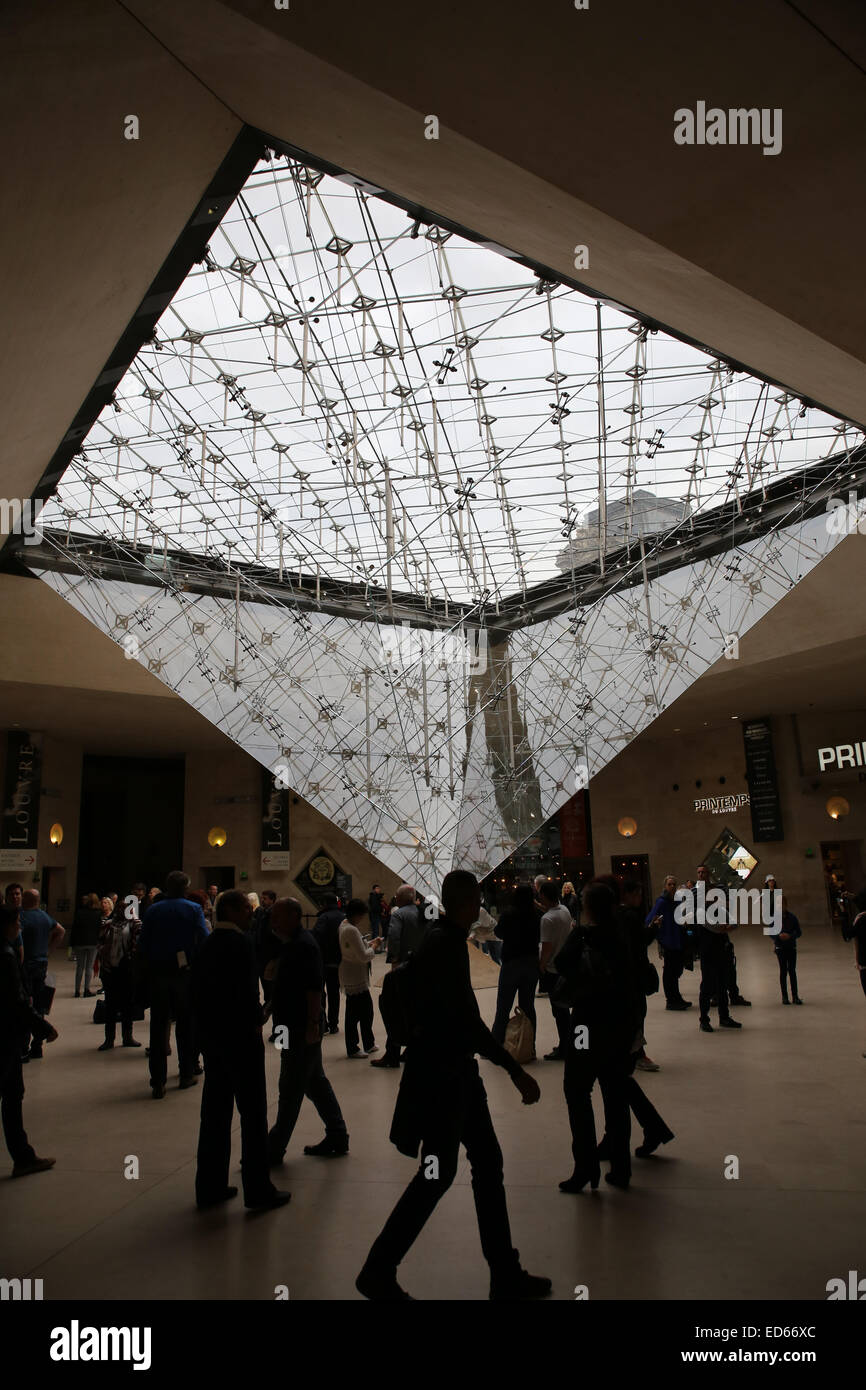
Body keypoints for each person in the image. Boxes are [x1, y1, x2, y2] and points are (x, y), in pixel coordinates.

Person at [356, 870, 551, 1302]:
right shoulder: (446, 944)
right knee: (441, 1173)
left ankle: (504, 1272)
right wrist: (513, 1069)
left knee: (480, 1163)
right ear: (468, 902)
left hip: (449, 1072)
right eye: (477, 898)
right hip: (447, 1077)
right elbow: (467, 1020)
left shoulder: (438, 938)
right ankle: (379, 1269)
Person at [192, 889, 290, 1211]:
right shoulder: (240, 944)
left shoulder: (206, 943)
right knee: (252, 1114)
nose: (252, 914)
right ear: (232, 911)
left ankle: (210, 1185)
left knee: (215, 1114)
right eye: (247, 910)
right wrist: (259, 1017)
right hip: (241, 1042)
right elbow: (247, 993)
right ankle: (258, 1190)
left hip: (213, 1041)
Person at [556, 882, 642, 1192]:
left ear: (589, 908)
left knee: (577, 1092)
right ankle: (621, 1169)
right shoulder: (622, 937)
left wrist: (579, 933)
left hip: (585, 1025)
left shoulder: (584, 936)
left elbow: (561, 964)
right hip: (617, 1025)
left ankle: (585, 1167)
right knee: (616, 1096)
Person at [267, 898, 349, 1163]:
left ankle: (273, 1148)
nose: (273, 922)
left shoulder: (303, 945)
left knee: (290, 1086)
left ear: (293, 916)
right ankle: (337, 1135)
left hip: (301, 1026)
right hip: (292, 1025)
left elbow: (314, 989)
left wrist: (314, 1024)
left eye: (277, 917)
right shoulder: (292, 943)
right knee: (314, 1083)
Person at [137, 870, 209, 1097]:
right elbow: (204, 939)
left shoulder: (154, 909)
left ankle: (157, 1081)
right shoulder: (193, 909)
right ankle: (186, 1073)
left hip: (158, 973)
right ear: (185, 887)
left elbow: (143, 942)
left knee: (158, 1027)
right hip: (184, 973)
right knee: (186, 1026)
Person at [0, 904, 58, 1177]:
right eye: (17, 924)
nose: (20, 928)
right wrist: (42, 1027)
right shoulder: (6, 955)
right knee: (12, 1095)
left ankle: (23, 1154)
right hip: (6, 1035)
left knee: (13, 1094)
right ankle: (23, 1156)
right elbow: (16, 1001)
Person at [372, 884, 425, 1068]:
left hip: (403, 966)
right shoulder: (424, 913)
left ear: (400, 898)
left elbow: (394, 937)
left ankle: (392, 1053)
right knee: (416, 1010)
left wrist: (394, 960)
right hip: (421, 967)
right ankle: (411, 1050)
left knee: (395, 1010)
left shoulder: (398, 914)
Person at [491, 884, 541, 1049]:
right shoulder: (536, 915)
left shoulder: (509, 914)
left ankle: (496, 1044)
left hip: (512, 962)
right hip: (531, 962)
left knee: (503, 1006)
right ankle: (529, 1045)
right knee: (528, 1006)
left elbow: (498, 933)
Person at [695, 865, 742, 1034]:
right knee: (707, 983)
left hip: (722, 942)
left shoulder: (720, 888)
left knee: (723, 980)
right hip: (707, 943)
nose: (701, 875)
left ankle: (724, 1016)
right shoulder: (695, 893)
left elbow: (731, 909)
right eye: (699, 873)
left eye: (704, 872)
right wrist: (720, 928)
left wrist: (731, 926)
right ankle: (704, 1019)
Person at [19, 889, 64, 1060]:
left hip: (26, 966)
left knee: (25, 1006)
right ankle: (37, 1046)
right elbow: (60, 931)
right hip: (41, 965)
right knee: (39, 1005)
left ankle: (23, 1047)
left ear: (26, 899)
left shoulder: (22, 917)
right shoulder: (45, 917)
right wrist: (48, 951)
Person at [96, 898, 141, 1050]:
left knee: (128, 1004)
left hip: (127, 969)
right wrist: (103, 953)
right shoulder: (108, 925)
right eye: (121, 908)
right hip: (110, 968)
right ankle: (109, 1038)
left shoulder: (134, 925)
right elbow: (100, 942)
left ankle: (127, 1036)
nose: (123, 911)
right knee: (111, 1005)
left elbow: (138, 943)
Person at [339, 899, 381, 1058]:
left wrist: (368, 943)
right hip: (355, 976)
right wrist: (374, 947)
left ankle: (368, 1043)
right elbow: (363, 956)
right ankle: (354, 1047)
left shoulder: (344, 925)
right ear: (357, 914)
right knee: (357, 1014)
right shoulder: (350, 930)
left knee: (363, 1012)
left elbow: (355, 947)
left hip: (352, 974)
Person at [538, 880, 573, 1060]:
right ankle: (571, 1044)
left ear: (544, 895)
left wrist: (542, 965)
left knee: (559, 1011)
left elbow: (547, 946)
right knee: (565, 1009)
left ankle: (565, 1047)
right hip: (567, 966)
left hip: (553, 969)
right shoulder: (564, 911)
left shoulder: (547, 920)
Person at [647, 875, 691, 1010]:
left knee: (675, 971)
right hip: (668, 941)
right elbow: (650, 919)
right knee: (670, 972)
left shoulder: (676, 902)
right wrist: (658, 928)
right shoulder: (662, 902)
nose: (672, 887)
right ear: (665, 886)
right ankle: (671, 1000)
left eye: (674, 884)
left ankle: (676, 997)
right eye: (669, 884)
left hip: (677, 940)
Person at [313, 893, 344, 1035]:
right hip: (337, 961)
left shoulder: (323, 917)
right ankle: (334, 1024)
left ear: (324, 903)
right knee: (334, 993)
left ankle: (323, 1023)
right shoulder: (343, 917)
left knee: (321, 993)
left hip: (323, 960)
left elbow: (317, 938)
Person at [70, 892, 102, 997]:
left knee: (80, 967)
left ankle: (77, 990)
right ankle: (86, 989)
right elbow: (99, 929)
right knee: (89, 967)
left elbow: (75, 928)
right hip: (93, 942)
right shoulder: (98, 913)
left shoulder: (79, 912)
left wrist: (72, 943)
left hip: (80, 942)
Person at [773, 896, 802, 1005]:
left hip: (791, 947)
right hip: (780, 948)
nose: (781, 906)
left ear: (786, 905)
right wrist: (778, 936)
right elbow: (771, 932)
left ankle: (795, 996)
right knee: (783, 971)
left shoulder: (792, 918)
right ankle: (784, 997)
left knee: (792, 971)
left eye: (782, 904)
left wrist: (790, 936)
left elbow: (799, 932)